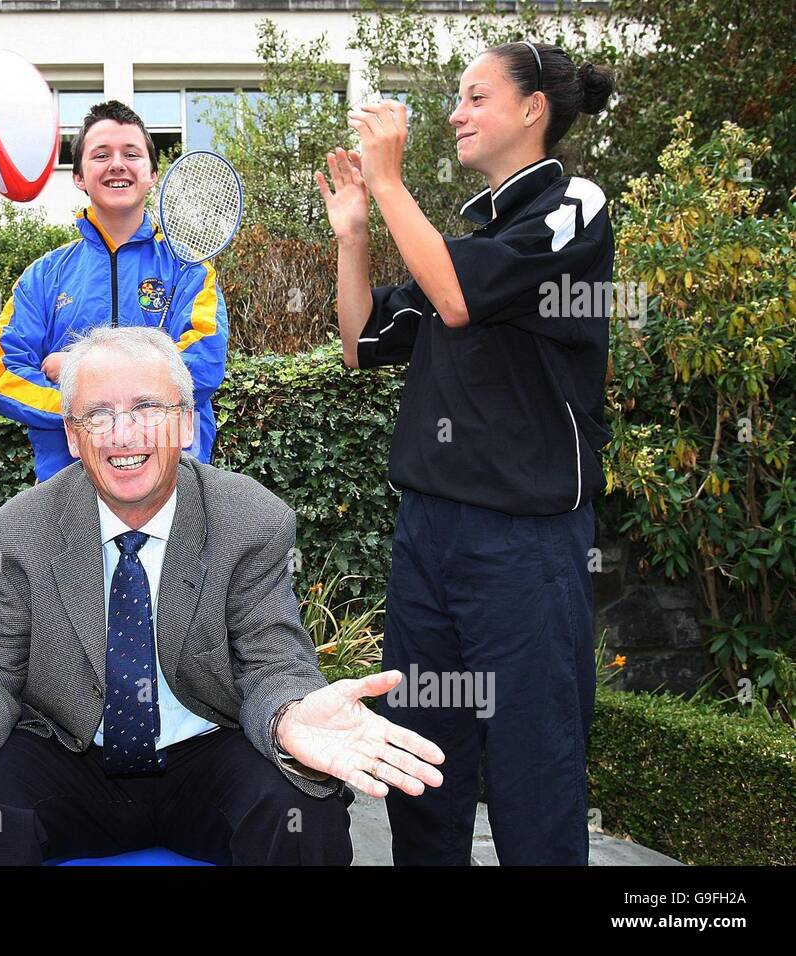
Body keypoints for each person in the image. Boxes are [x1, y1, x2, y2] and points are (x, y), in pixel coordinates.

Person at [0, 326, 445, 865]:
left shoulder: (251, 518)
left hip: (207, 750)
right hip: (70, 757)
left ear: (186, 424)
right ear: (73, 436)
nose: (122, 433)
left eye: (146, 408)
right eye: (97, 416)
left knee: (300, 805)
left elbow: (273, 663)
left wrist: (290, 718)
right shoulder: (12, 534)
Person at [316, 41, 616, 865]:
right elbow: (360, 342)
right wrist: (353, 235)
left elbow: (454, 297)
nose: (456, 112)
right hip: (429, 538)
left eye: (476, 96)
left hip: (524, 546)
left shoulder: (573, 204)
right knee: (423, 760)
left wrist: (387, 181)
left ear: (532, 110)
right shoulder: (464, 239)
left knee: (535, 770)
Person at [0, 100, 229, 482]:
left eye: (131, 153)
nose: (117, 164)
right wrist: (84, 412)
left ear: (152, 174)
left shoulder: (190, 269)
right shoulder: (42, 277)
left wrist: (79, 369)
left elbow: (204, 362)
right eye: (100, 155)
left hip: (172, 480)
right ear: (78, 176)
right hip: (67, 484)